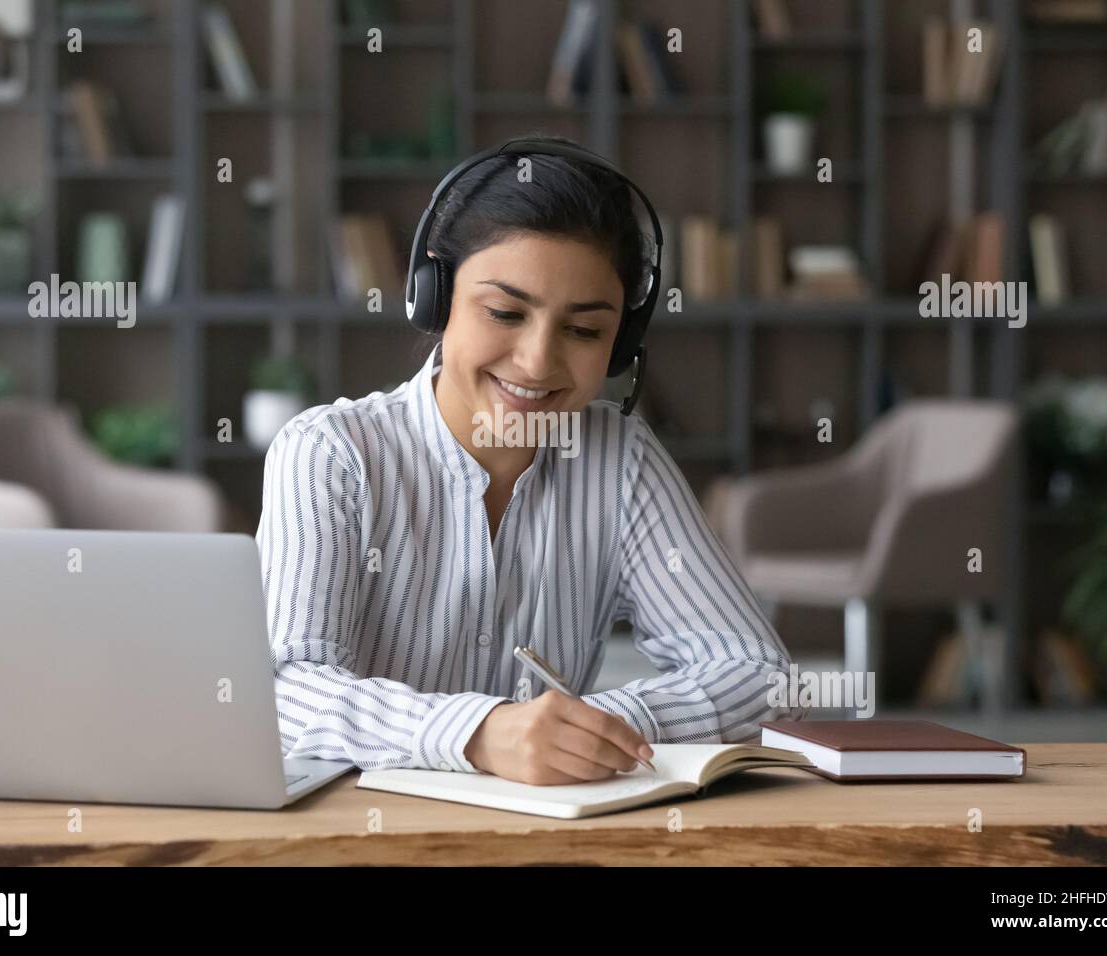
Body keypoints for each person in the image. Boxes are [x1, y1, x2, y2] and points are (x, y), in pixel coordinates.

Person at [256, 134, 805, 786]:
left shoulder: (620, 459)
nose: (538, 362)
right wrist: (479, 735)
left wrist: (597, 726)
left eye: (583, 330)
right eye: (505, 312)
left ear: (621, 344)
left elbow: (762, 678)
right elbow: (285, 689)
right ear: (434, 297)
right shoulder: (330, 453)